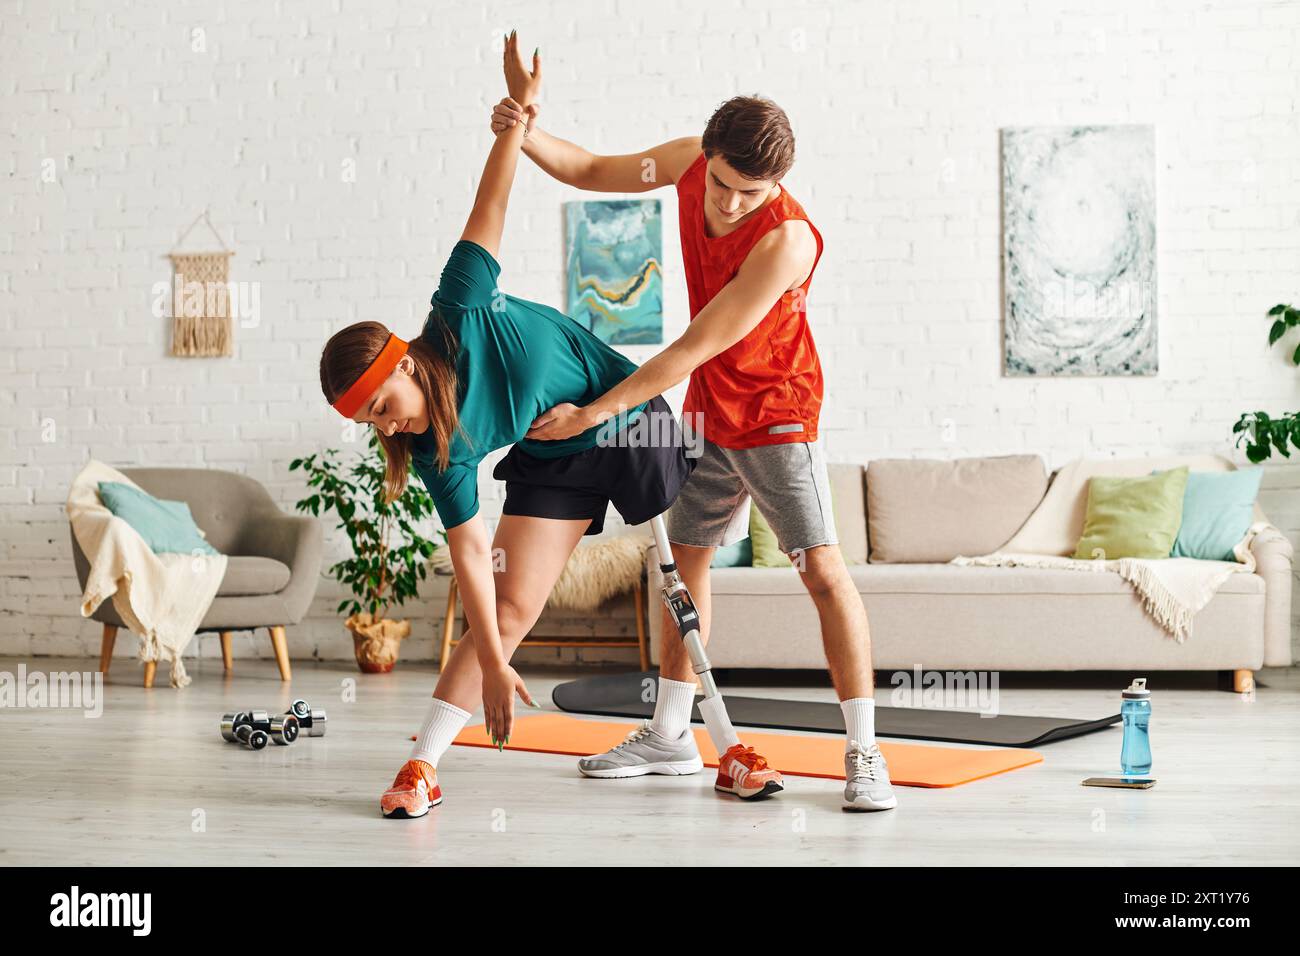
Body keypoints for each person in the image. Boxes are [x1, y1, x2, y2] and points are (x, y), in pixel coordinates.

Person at [317, 33, 771, 818]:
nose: (386, 429)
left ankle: (684, 736)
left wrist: (518, 118)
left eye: (381, 406)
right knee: (511, 598)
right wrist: (496, 663)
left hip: (625, 410)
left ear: (401, 360)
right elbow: (468, 559)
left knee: (679, 570)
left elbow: (491, 201)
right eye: (370, 424)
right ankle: (420, 766)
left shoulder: (459, 307)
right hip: (553, 451)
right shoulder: (437, 453)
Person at [491, 89, 898, 811]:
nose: (733, 204)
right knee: (682, 561)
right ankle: (671, 735)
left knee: (823, 572)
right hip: (710, 409)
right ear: (705, 156)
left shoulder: (789, 241)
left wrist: (593, 414)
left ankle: (865, 753)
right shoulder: (684, 161)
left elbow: (693, 344)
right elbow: (586, 169)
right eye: (722, 184)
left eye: (754, 192)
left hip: (777, 414)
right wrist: (523, 132)